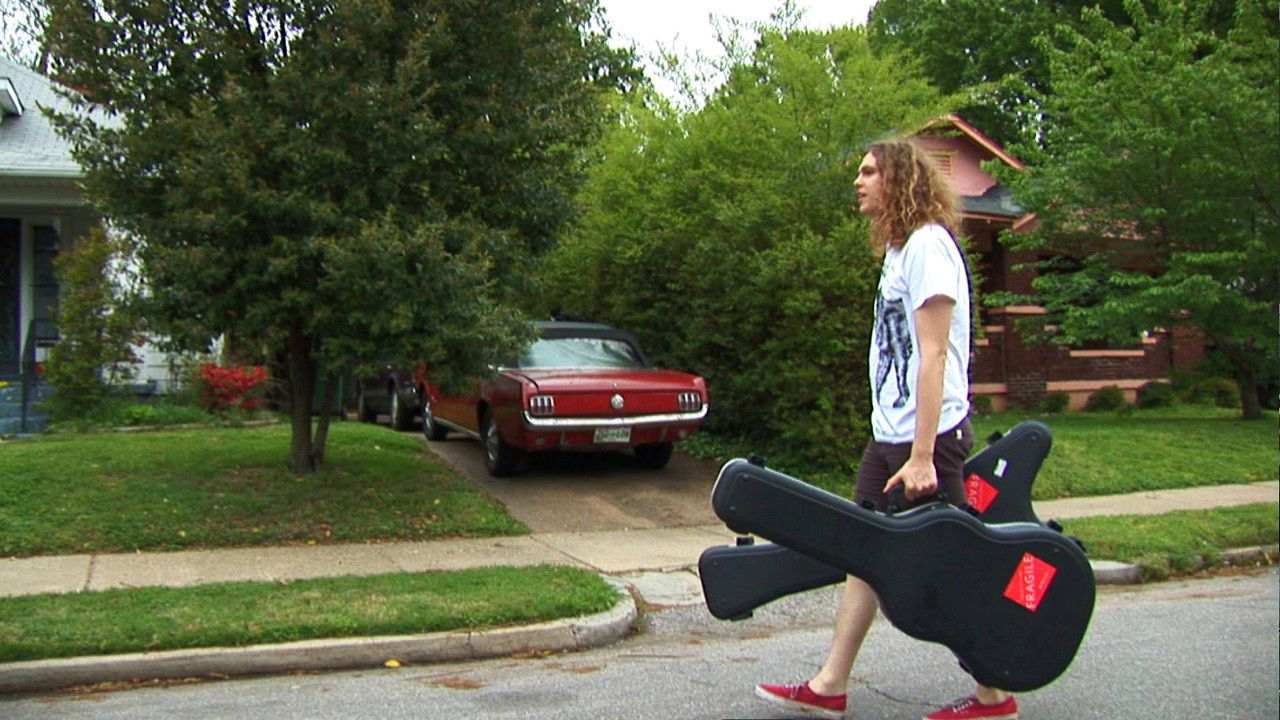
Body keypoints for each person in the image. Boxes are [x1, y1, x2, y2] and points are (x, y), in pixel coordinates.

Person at [753, 138, 1019, 720]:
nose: (859, 181)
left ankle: (995, 695)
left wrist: (923, 454)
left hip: (928, 440)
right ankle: (830, 685)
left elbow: (934, 355)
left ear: (900, 180)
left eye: (870, 172)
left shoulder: (928, 247)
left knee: (950, 568)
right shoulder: (899, 251)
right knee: (863, 552)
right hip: (893, 436)